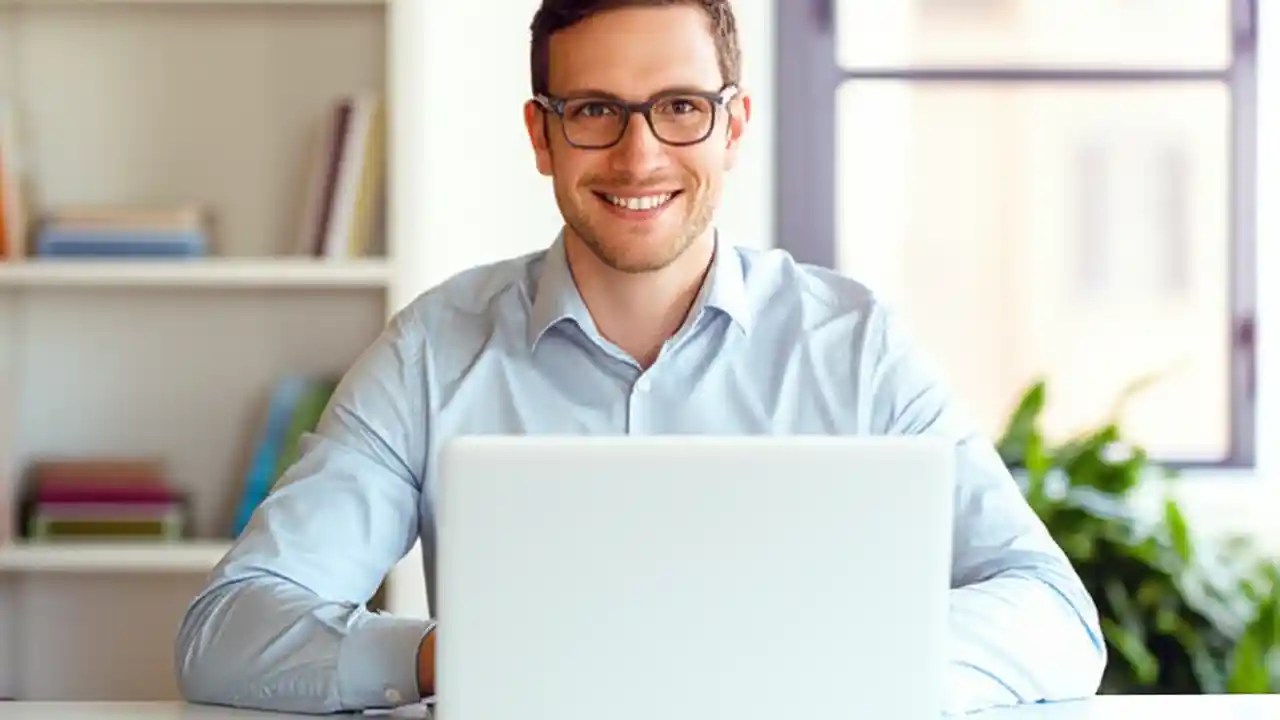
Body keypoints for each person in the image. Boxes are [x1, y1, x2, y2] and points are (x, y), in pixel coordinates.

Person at [175, 0, 1106, 715]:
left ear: (734, 127)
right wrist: (448, 655)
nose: (638, 153)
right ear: (541, 135)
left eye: (681, 108)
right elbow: (229, 628)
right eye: (594, 111)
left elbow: (1054, 616)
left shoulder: (855, 345)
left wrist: (850, 661)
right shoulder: (431, 349)